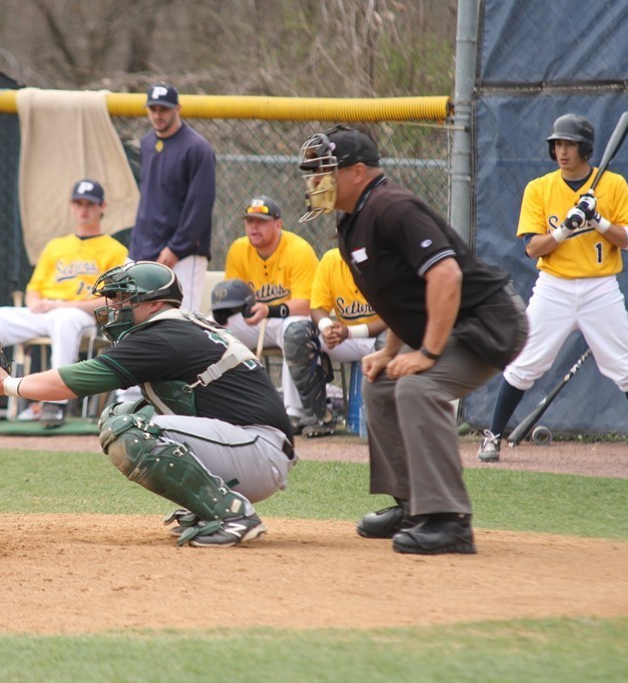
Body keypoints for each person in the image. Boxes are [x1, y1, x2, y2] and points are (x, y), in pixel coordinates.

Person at [298, 125, 527, 555]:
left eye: (324, 170)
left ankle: (448, 520)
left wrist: (427, 354)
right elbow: (399, 296)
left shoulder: (392, 207)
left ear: (359, 172)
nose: (315, 180)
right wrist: (388, 352)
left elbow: (445, 276)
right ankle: (413, 506)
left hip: (489, 321)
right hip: (453, 323)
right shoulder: (352, 220)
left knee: (420, 386)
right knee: (381, 382)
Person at [0, 261, 296, 547]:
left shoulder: (161, 335)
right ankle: (211, 505)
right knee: (122, 414)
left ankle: (233, 514)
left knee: (128, 429)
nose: (116, 307)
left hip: (257, 450)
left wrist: (8, 385)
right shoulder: (179, 326)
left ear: (155, 304)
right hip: (250, 447)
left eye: (124, 299)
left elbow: (72, 382)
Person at [478, 114, 628, 464]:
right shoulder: (540, 188)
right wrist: (564, 231)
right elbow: (532, 248)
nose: (561, 151)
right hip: (553, 288)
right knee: (525, 362)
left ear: (585, 148)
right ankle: (492, 436)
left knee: (626, 368)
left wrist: (598, 220)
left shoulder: (613, 185)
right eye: (557, 144)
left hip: (600, 288)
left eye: (569, 144)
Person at [0, 179, 128, 430]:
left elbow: (112, 301)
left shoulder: (115, 249)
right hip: (46, 312)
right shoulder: (56, 246)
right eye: (79, 203)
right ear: (71, 206)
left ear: (102, 206)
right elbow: (33, 291)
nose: (84, 209)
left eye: (90, 204)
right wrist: (36, 303)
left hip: (81, 316)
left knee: (65, 319)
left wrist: (63, 305)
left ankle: (55, 402)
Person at [216, 195, 323, 434]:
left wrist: (270, 309)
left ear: (278, 224)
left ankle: (293, 412)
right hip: (255, 321)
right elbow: (232, 298)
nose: (254, 226)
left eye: (261, 221)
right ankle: (227, 405)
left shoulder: (298, 250)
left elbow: (307, 304)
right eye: (250, 221)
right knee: (216, 329)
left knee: (296, 327)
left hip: (288, 320)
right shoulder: (239, 249)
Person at [130, 83, 216, 312]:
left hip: (184, 254)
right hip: (145, 247)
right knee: (132, 319)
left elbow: (200, 206)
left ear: (178, 108)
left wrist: (175, 248)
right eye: (153, 109)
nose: (158, 115)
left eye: (164, 109)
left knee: (181, 319)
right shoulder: (148, 142)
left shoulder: (197, 148)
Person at [290, 247, 388, 431]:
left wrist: (349, 332)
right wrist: (327, 328)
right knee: (298, 333)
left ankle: (387, 421)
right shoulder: (331, 259)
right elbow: (317, 307)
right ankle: (319, 416)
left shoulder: (385, 259)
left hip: (381, 339)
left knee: (391, 338)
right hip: (345, 338)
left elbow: (394, 318)